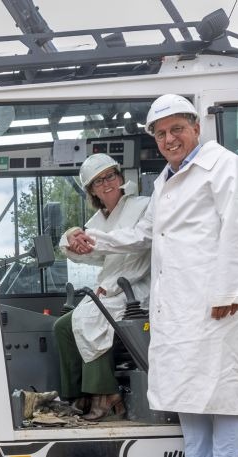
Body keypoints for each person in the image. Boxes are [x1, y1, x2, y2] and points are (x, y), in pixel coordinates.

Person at [66, 94, 238, 457]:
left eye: (177, 128)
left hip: (215, 299)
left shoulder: (225, 167)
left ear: (196, 126)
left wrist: (230, 291)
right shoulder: (166, 180)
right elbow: (145, 235)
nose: (169, 138)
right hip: (176, 303)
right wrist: (96, 239)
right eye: (161, 133)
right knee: (186, 388)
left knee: (224, 389)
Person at [53, 153, 151, 421]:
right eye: (98, 181)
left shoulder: (143, 206)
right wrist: (71, 240)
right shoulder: (98, 221)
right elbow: (90, 254)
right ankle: (76, 395)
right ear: (91, 190)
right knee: (62, 326)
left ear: (120, 177)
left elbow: (137, 242)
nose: (107, 183)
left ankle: (105, 394)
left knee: (90, 319)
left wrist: (91, 240)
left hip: (136, 288)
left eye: (110, 176)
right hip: (108, 288)